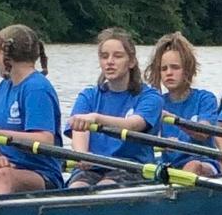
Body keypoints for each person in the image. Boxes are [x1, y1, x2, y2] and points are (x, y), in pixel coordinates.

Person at [0, 24, 63, 203]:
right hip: (7, 170)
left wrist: (0, 134)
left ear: (5, 55)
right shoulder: (4, 86)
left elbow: (45, 139)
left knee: (5, 177)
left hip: (42, 175)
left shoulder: (37, 89)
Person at [64, 27, 165, 188]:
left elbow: (133, 125)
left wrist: (96, 118)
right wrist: (82, 154)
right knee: (77, 188)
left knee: (105, 187)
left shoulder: (150, 97)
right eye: (104, 56)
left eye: (117, 56)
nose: (109, 62)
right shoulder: (88, 95)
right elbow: (79, 128)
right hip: (93, 166)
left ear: (131, 62)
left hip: (132, 166)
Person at [146, 31, 222, 176]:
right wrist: (161, 142)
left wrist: (174, 120)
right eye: (164, 69)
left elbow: (203, 133)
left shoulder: (205, 99)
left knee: (193, 165)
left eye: (175, 67)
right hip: (169, 166)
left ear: (187, 70)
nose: (169, 73)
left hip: (203, 162)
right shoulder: (155, 102)